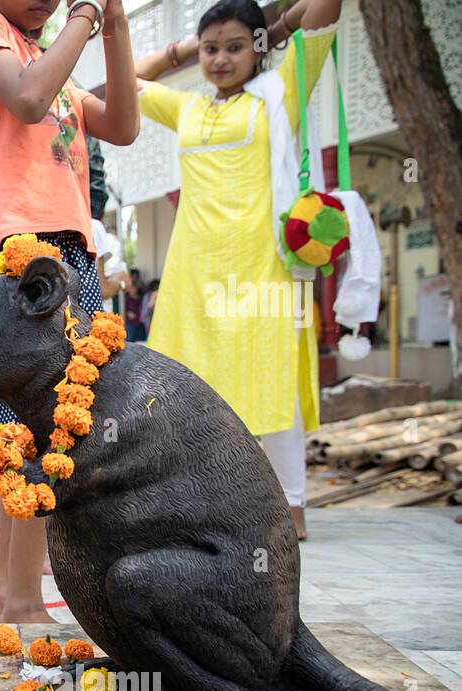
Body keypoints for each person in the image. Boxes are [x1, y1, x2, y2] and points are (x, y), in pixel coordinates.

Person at [0, 0, 139, 623]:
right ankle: (24, 602)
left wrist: (118, 26)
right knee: (36, 427)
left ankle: (5, 597)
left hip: (70, 248)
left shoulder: (50, 62)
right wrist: (84, 17)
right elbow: (27, 101)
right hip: (23, 251)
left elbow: (126, 126)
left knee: (47, 423)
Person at [134, 0, 344, 541]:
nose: (221, 59)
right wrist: (180, 48)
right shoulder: (187, 110)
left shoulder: (281, 95)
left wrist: (281, 27)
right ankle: (199, 502)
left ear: (256, 49)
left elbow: (325, 10)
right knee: (188, 387)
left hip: (263, 267)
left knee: (271, 379)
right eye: (211, 48)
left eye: (234, 47)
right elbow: (121, 83)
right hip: (193, 274)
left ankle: (290, 504)